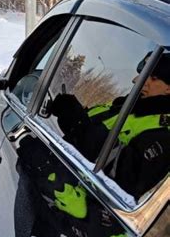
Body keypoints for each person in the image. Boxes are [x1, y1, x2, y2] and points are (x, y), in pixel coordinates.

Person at [50, 52, 170, 199]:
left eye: (153, 77)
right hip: (54, 176)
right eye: (142, 74)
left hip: (69, 202)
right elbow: (91, 130)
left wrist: (79, 124)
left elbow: (125, 181)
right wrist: (72, 113)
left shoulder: (164, 133)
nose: (136, 80)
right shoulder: (126, 106)